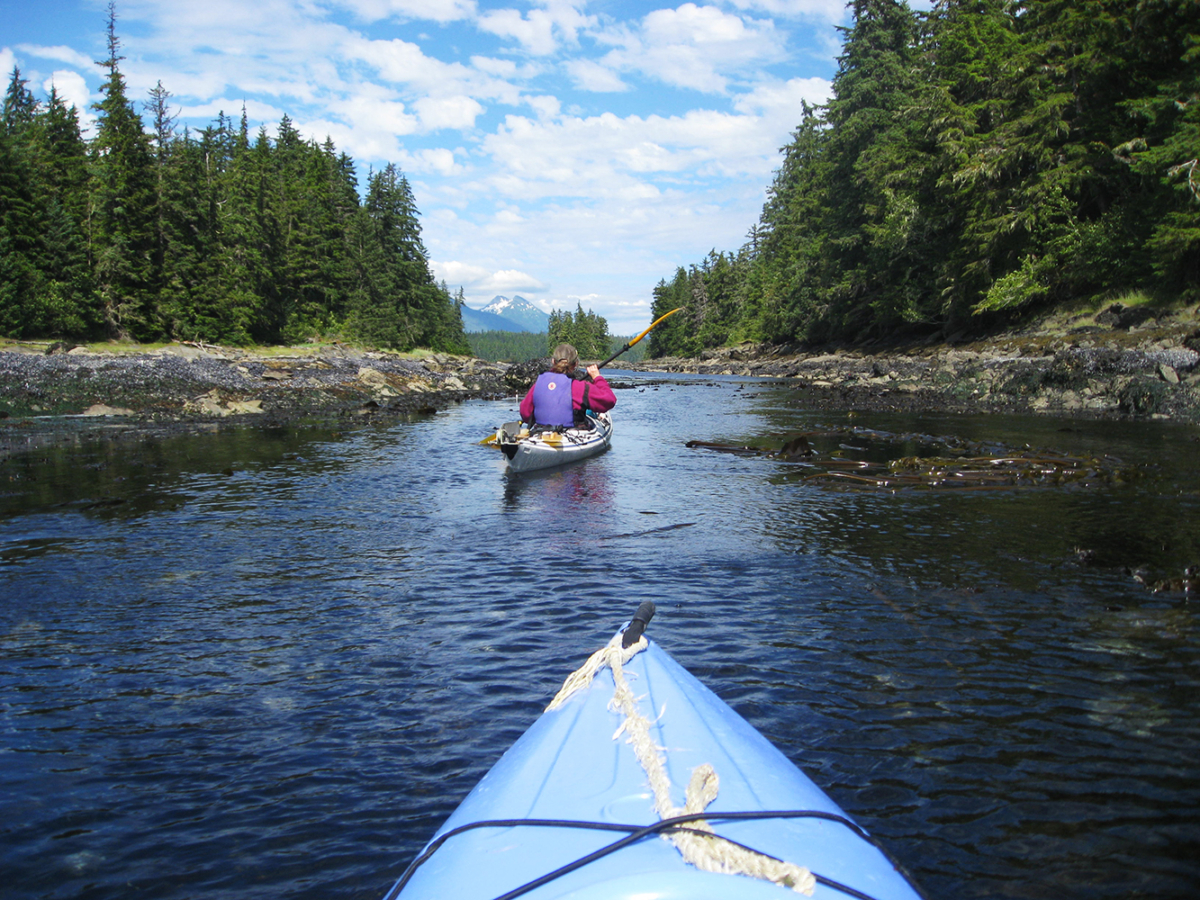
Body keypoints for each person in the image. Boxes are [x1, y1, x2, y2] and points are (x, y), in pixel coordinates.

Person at [519, 343, 616, 430]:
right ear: (576, 364)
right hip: (574, 433)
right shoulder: (581, 387)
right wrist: (597, 377)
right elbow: (610, 400)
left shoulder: (538, 385)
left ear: (553, 361)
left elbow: (525, 415)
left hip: (542, 433)